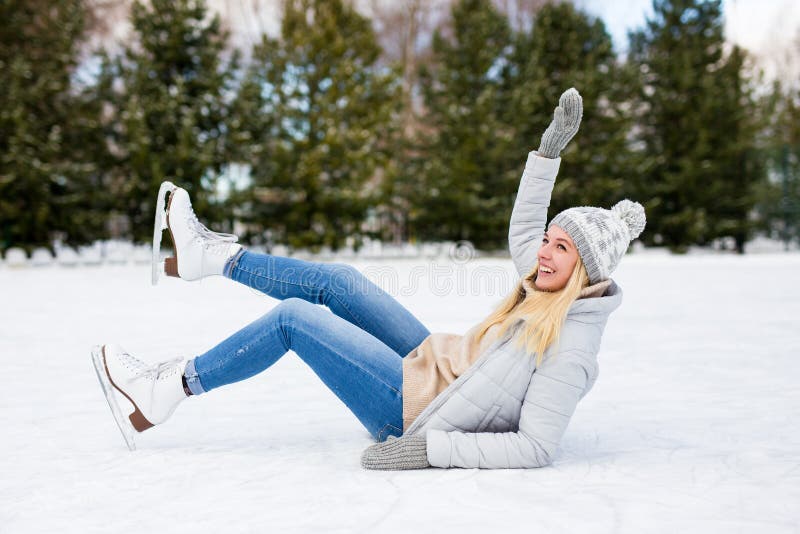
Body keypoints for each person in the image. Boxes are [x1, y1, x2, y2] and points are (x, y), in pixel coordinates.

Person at [91, 87, 646, 470]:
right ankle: (209, 259)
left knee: (295, 320)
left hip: (413, 410)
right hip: (434, 364)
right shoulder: (548, 281)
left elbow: (534, 447)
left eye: (561, 247)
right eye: (549, 239)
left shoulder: (572, 347)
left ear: (587, 273)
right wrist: (548, 154)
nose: (542, 253)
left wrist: (427, 451)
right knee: (341, 282)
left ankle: (169, 389)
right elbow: (527, 227)